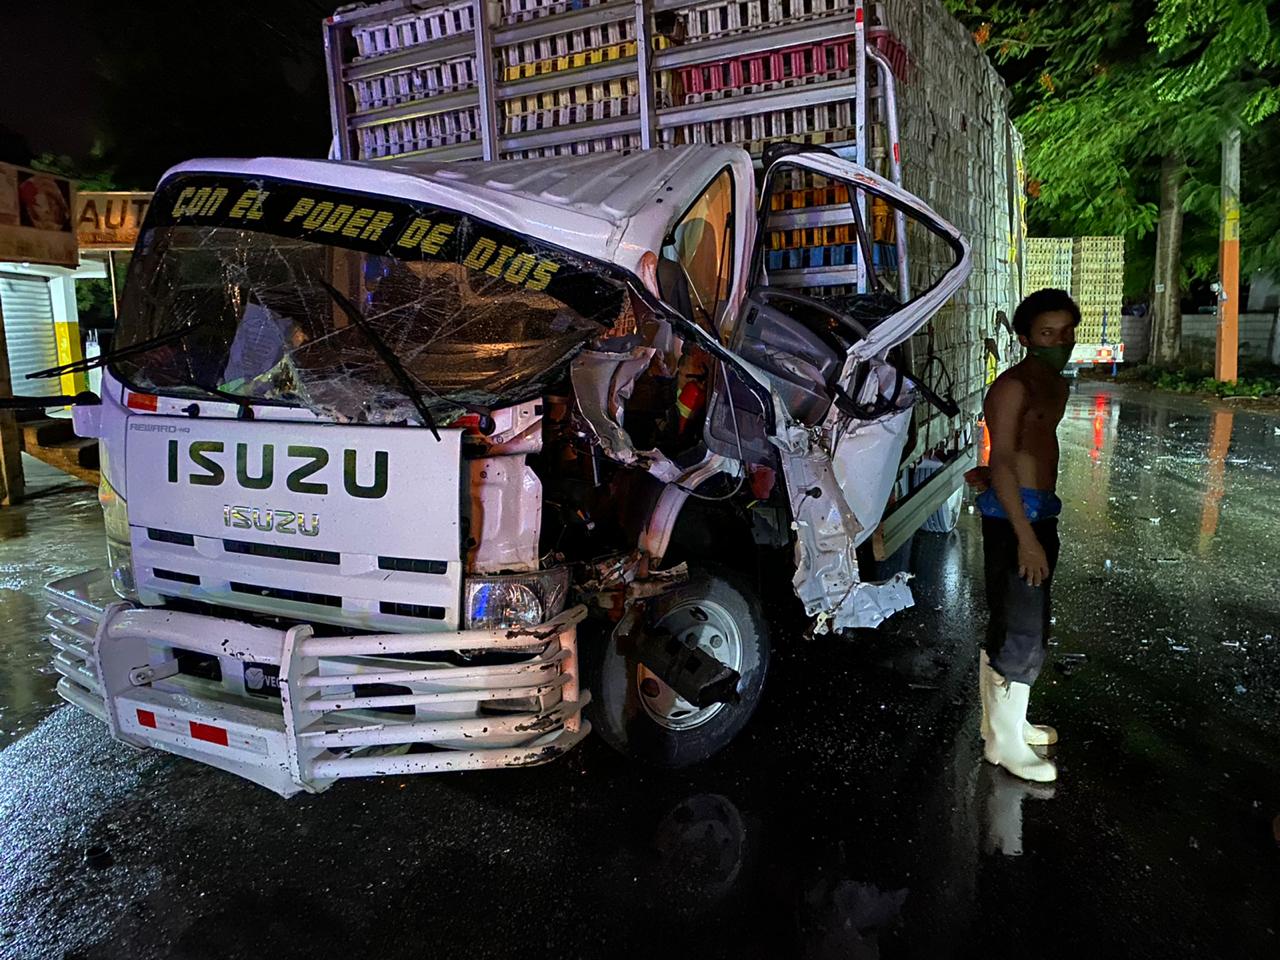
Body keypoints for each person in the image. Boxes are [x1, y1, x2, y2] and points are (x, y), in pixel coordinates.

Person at [966, 288, 1078, 783]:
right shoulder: (1012, 387)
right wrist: (1025, 537)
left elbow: (1029, 448)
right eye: (1048, 334)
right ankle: (1004, 743)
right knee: (1023, 627)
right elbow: (1005, 458)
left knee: (1018, 618)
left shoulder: (1053, 383)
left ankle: (1002, 723)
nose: (1060, 342)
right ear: (1025, 337)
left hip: (1037, 509)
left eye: (1066, 332)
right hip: (1018, 517)